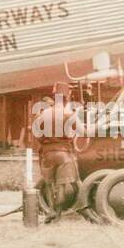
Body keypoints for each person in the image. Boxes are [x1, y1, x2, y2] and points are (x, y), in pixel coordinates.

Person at [30, 82, 82, 220]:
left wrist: (45, 143)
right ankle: (56, 214)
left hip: (47, 153)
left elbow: (36, 133)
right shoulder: (69, 114)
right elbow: (83, 131)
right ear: (67, 98)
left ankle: (51, 212)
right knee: (62, 187)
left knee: (49, 184)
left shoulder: (43, 114)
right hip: (64, 153)